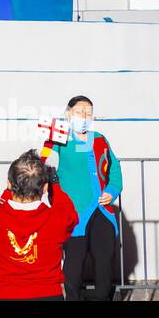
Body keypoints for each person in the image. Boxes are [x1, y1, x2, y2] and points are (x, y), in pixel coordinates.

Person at [0, 150, 79, 301]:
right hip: (48, 294)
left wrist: (9, 190)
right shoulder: (57, 220)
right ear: (44, 188)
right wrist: (56, 187)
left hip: (5, 294)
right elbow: (69, 213)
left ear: (9, 184)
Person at [56, 95, 123, 301]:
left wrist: (111, 191)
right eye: (79, 112)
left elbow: (115, 169)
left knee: (104, 260)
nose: (84, 117)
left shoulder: (100, 139)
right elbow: (42, 161)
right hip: (74, 214)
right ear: (68, 114)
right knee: (74, 264)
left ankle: (103, 297)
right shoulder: (60, 139)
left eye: (88, 113)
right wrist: (52, 133)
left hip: (103, 211)